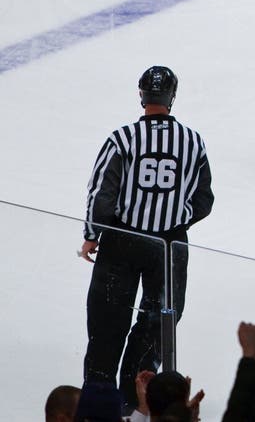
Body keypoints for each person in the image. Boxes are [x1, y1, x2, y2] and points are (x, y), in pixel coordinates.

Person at [79, 66, 215, 411]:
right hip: (168, 247)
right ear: (172, 98)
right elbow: (203, 200)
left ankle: (100, 401)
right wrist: (174, 221)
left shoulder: (122, 139)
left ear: (142, 97)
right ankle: (135, 396)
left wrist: (93, 235)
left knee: (108, 321)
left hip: (123, 241)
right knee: (158, 321)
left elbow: (102, 194)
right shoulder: (192, 142)